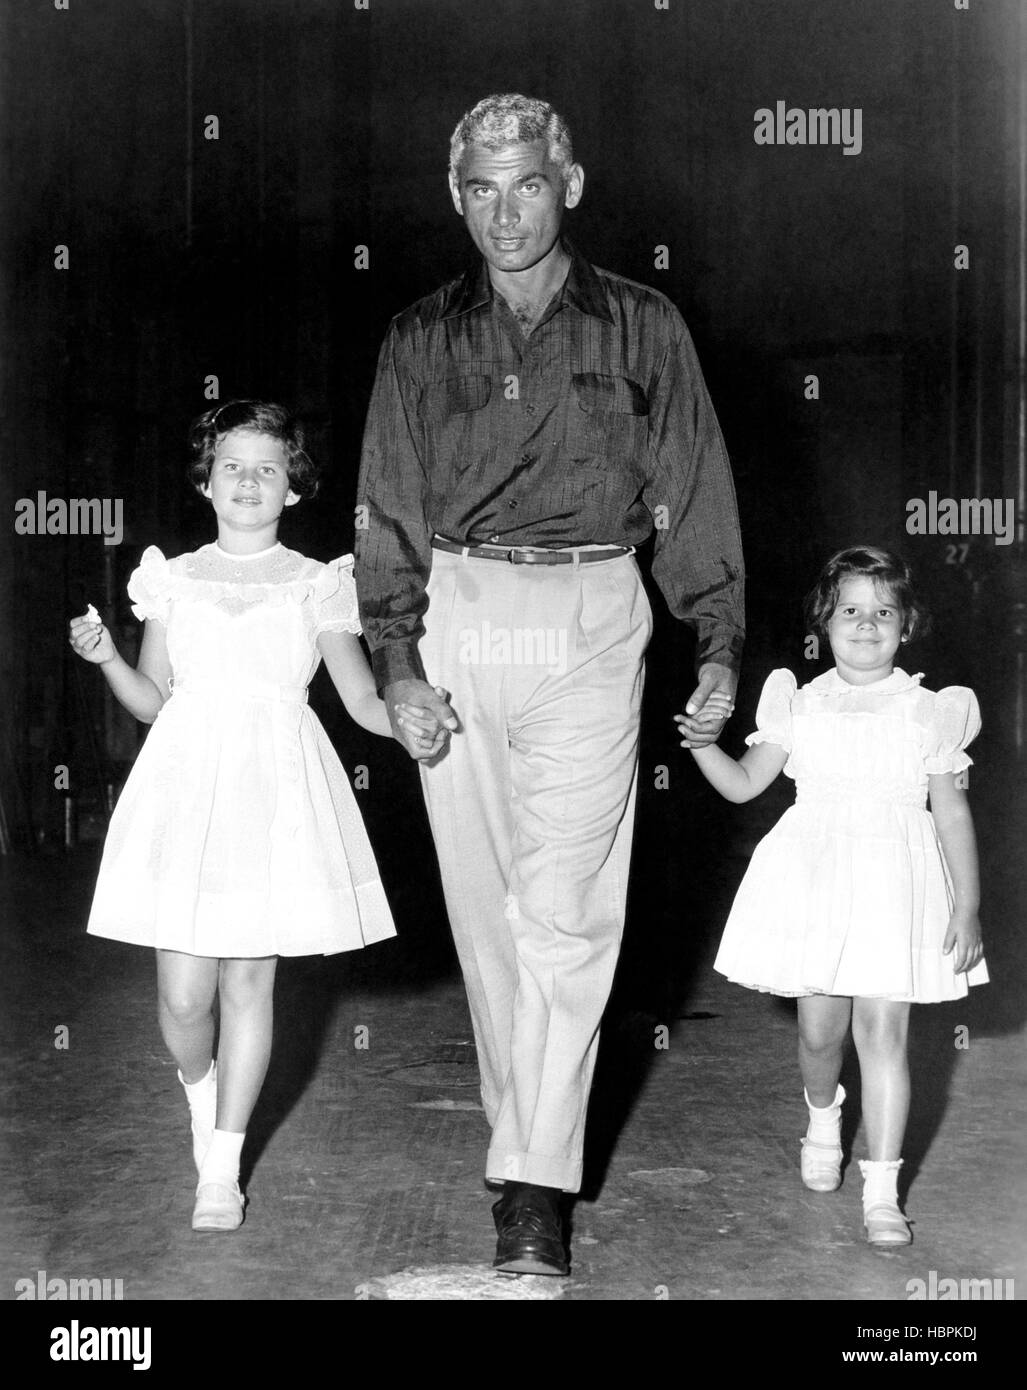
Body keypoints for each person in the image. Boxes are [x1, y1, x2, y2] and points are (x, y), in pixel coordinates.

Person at [355, 93, 745, 1274]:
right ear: (454, 194)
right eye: (481, 187)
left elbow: (691, 485)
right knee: (487, 922)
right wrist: (397, 658)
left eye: (527, 183)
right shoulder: (419, 337)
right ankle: (517, 1131)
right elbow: (386, 510)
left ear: (568, 184)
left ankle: (534, 1186)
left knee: (565, 913)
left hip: (588, 613)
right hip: (464, 612)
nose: (505, 211)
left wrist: (719, 639)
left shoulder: (642, 323)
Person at [69, 400, 437, 1233]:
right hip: (186, 787)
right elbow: (152, 702)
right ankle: (202, 1101)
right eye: (232, 464)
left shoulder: (318, 583)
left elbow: (360, 700)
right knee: (185, 999)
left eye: (267, 468)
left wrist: (411, 719)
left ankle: (223, 1169)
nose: (247, 480)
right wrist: (106, 662)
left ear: (293, 490)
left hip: (276, 793)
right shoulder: (173, 576)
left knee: (248, 980)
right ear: (206, 478)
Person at [677, 545, 988, 1247]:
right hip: (814, 883)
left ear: (906, 624)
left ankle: (882, 1191)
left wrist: (965, 905)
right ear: (824, 619)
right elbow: (741, 784)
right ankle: (823, 1114)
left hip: (897, 890)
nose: (866, 623)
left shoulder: (931, 710)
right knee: (821, 1035)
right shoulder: (798, 701)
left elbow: (953, 812)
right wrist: (701, 744)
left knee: (885, 1034)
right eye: (850, 609)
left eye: (883, 611)